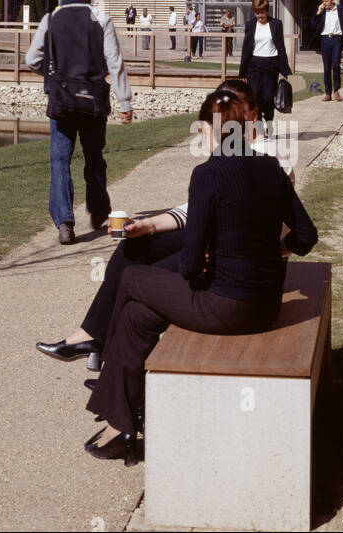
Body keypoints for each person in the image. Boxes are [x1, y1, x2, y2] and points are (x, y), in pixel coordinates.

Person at [83, 86, 318, 461]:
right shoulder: (271, 169)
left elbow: (191, 265)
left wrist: (200, 277)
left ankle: (115, 397)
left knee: (132, 279)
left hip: (227, 308)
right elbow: (306, 237)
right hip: (266, 305)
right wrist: (262, 254)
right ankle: (120, 423)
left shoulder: (208, 174)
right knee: (137, 315)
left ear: (212, 130)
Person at [35, 79, 292, 369]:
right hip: (215, 240)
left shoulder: (271, 156)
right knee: (134, 246)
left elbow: (278, 229)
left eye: (232, 109)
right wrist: (145, 226)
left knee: (142, 279)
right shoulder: (228, 150)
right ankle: (92, 336)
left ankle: (116, 371)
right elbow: (197, 210)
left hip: (236, 261)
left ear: (252, 116)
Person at [26, 0, 134, 245]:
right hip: (93, 100)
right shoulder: (101, 19)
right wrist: (125, 103)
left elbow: (32, 58)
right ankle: (98, 209)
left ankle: (64, 222)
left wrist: (50, 76)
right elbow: (115, 62)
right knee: (94, 157)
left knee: (60, 161)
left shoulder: (51, 18)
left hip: (61, 99)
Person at [238, 0, 292, 136]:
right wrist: (242, 72)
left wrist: (284, 69)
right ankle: (260, 126)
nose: (260, 15)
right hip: (254, 65)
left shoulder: (276, 24)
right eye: (257, 12)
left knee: (268, 97)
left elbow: (281, 47)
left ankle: (269, 121)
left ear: (267, 11)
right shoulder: (250, 25)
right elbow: (246, 48)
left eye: (262, 12)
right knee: (255, 97)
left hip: (271, 65)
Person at [307, 0, 343, 102]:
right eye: (323, 1)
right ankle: (328, 93)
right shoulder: (322, 11)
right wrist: (318, 13)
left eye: (326, 1)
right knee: (327, 67)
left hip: (337, 39)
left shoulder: (342, 10)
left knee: (336, 65)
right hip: (325, 40)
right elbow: (312, 26)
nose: (324, 3)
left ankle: (336, 90)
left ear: (333, 0)